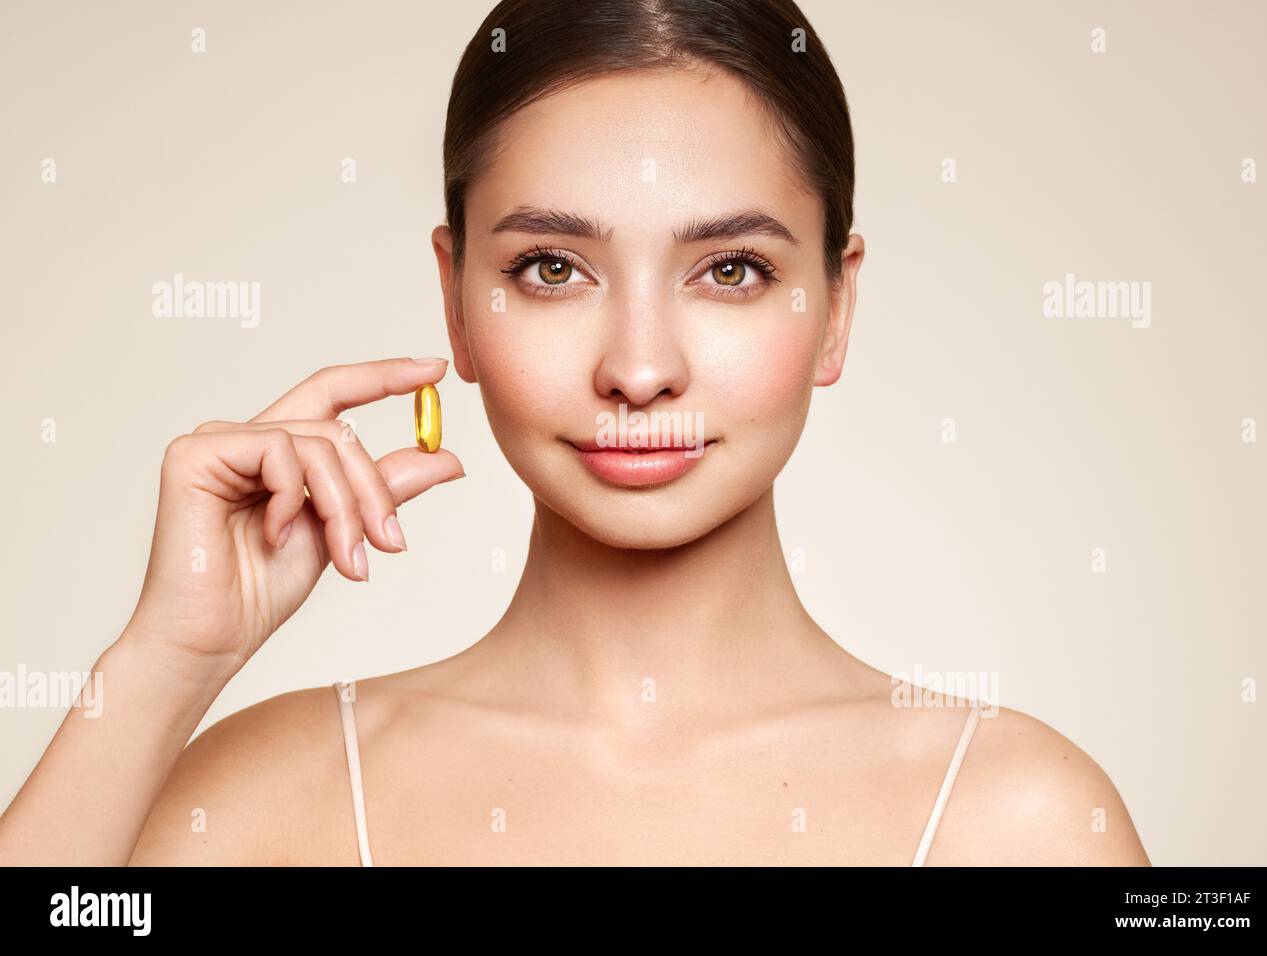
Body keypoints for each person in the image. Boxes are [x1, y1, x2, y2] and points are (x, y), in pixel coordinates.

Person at [0, 0, 1149, 866]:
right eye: (551, 269)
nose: (638, 368)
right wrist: (162, 665)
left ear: (834, 305)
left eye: (730, 269)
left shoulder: (1020, 816)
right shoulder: (267, 791)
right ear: (456, 298)